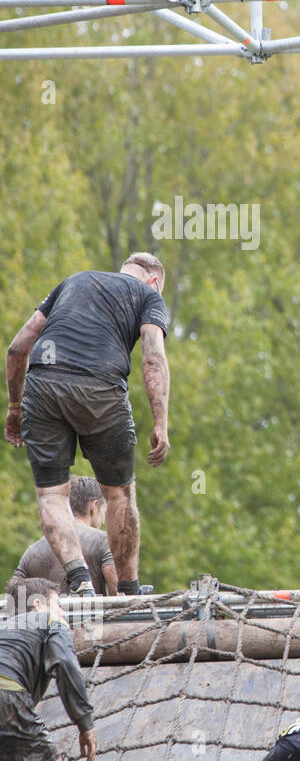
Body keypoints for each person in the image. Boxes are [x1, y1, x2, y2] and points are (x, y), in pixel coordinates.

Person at [5, 253, 170, 597]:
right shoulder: (148, 296)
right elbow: (153, 355)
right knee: (119, 492)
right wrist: (160, 421)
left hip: (43, 385)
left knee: (52, 495)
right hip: (102, 388)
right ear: (153, 279)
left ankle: (79, 579)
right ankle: (128, 589)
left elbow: (18, 347)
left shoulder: (73, 281)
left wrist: (15, 408)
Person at [0, 577, 96, 761]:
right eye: (58, 604)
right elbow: (65, 663)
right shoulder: (49, 619)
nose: (63, 612)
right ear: (37, 605)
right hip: (6, 699)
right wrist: (85, 723)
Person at [12, 476, 116, 596]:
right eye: (105, 511)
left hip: (51, 614)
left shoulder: (33, 550)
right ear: (94, 506)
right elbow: (119, 592)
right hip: (94, 614)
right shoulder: (104, 541)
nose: (103, 520)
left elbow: (15, 594)